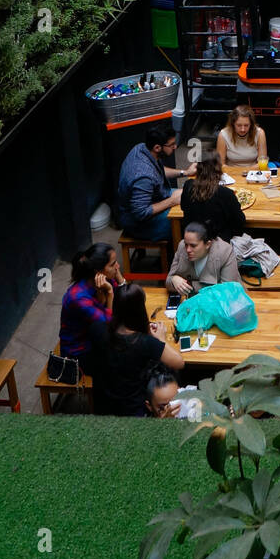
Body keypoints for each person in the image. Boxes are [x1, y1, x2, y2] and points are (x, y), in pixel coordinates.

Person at [90, 283, 184, 417]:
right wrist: (161, 339)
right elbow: (179, 362)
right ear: (140, 310)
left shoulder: (97, 329)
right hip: (133, 414)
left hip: (102, 408)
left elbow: (111, 324)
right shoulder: (144, 343)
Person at [116, 123, 190, 243]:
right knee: (186, 220)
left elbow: (157, 172)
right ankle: (176, 255)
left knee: (189, 195)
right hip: (138, 224)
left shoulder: (141, 148)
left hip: (153, 198)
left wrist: (185, 172)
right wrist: (172, 201)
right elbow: (141, 213)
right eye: (171, 145)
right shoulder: (143, 176)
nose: (175, 147)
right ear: (157, 148)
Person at [58, 242, 125, 373]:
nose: (118, 266)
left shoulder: (103, 280)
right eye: (113, 264)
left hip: (97, 339)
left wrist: (120, 279)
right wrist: (110, 294)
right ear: (98, 271)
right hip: (80, 353)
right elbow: (108, 329)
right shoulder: (78, 298)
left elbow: (125, 300)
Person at [180, 148, 246, 242]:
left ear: (197, 167)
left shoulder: (188, 186)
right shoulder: (226, 193)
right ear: (219, 168)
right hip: (219, 243)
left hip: (194, 239)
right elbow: (240, 222)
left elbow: (183, 207)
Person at [166, 219, 242, 297]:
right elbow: (168, 281)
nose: (188, 250)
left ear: (208, 244)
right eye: (186, 244)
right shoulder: (182, 247)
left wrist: (190, 285)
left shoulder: (225, 251)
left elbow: (227, 291)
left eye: (193, 246)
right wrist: (173, 279)